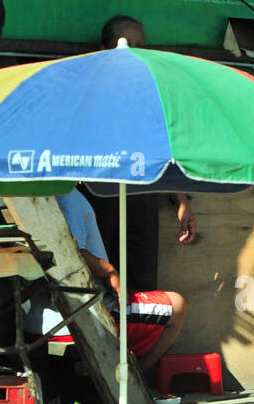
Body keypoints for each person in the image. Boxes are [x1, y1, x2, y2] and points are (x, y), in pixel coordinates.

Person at [84, 16, 198, 293]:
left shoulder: (153, 93)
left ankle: (139, 334)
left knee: (142, 275)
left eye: (139, 45)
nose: (131, 50)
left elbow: (164, 148)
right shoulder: (89, 86)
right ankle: (100, 334)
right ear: (102, 49)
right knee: (99, 272)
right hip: (99, 190)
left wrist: (181, 201)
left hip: (143, 192)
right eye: (122, 43)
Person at [28, 187, 188, 375]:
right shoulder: (67, 196)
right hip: (84, 320)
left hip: (36, 323)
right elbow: (71, 251)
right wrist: (109, 271)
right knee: (178, 306)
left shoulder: (33, 197)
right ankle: (134, 377)